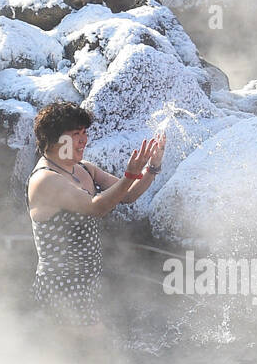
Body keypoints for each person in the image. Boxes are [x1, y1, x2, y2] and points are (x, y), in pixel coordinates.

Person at [26, 102, 166, 329]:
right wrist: (130, 174)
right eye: (75, 134)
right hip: (62, 288)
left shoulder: (83, 168)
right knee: (86, 356)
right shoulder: (46, 179)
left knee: (95, 355)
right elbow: (96, 207)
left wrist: (152, 167)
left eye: (84, 133)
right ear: (54, 139)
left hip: (87, 283)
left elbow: (128, 195)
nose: (83, 140)